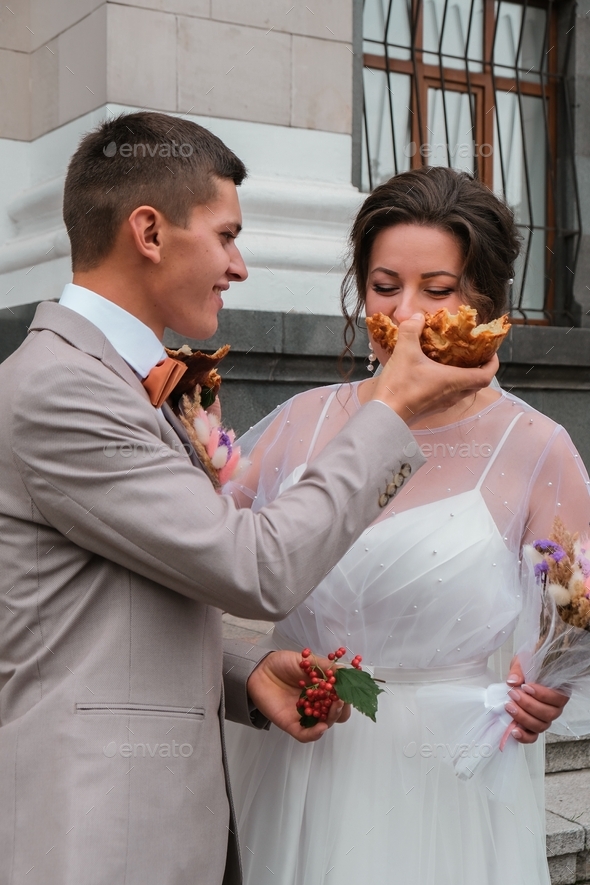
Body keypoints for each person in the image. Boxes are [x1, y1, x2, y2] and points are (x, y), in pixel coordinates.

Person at [0, 115, 501, 885]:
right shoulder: (62, 388)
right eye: (226, 235)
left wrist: (245, 671)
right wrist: (391, 410)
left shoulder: (114, 379)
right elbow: (256, 568)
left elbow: (115, 603)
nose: (238, 265)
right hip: (99, 836)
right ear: (149, 232)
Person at [224, 166, 590, 885]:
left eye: (438, 289)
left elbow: (575, 601)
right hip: (300, 752)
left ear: (484, 301)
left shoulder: (535, 446)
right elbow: (200, 564)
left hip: (445, 780)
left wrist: (549, 679)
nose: (408, 314)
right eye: (385, 285)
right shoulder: (302, 422)